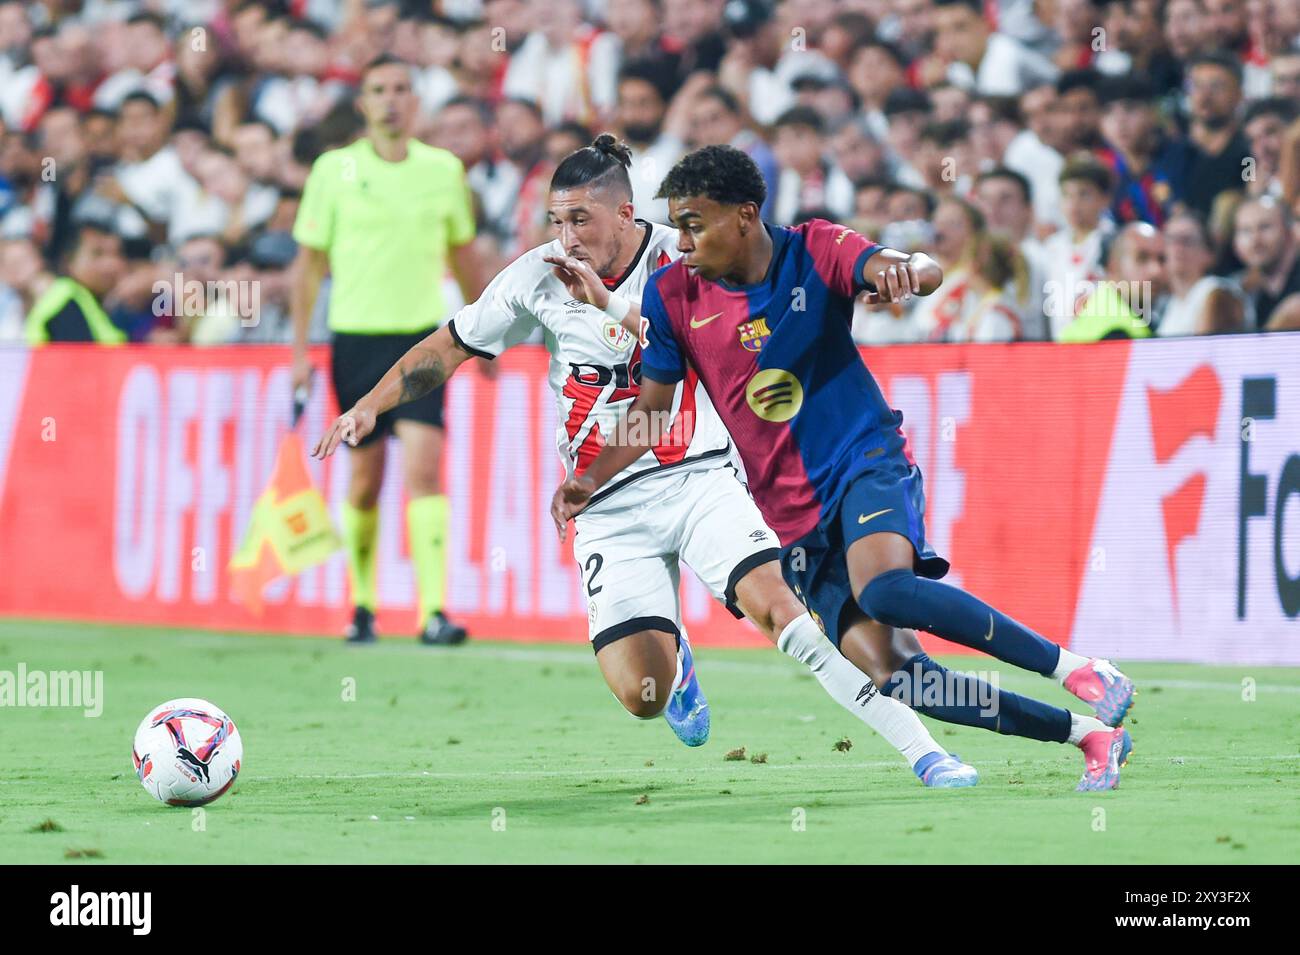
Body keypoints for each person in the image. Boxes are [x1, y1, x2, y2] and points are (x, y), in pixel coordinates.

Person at [313, 135, 977, 787]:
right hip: (607, 502)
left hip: (701, 474)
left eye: (581, 219)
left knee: (786, 613)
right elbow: (451, 345)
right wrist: (371, 404)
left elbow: (695, 337)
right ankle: (677, 658)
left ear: (626, 215)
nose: (566, 236)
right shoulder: (534, 279)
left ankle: (925, 752)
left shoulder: (687, 257)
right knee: (643, 693)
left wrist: (608, 306)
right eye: (556, 219)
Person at [556, 145, 1137, 792]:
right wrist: (590, 476)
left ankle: (1080, 667)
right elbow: (655, 412)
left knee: (885, 588)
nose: (681, 240)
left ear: (745, 215)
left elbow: (909, 266)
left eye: (694, 222)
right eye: (677, 224)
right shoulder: (673, 296)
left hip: (864, 462)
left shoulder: (813, 250)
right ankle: (1089, 734)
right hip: (793, 520)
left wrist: (910, 271)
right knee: (900, 676)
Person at [290, 55, 485, 645]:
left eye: (402, 88)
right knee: (365, 480)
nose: (391, 100)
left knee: (424, 466)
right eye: (379, 90)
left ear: (416, 101)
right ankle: (363, 605)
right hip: (355, 339)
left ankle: (433, 612)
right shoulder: (333, 170)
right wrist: (301, 349)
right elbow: (308, 265)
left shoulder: (444, 170)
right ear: (363, 104)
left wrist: (486, 334)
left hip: (421, 339)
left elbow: (464, 254)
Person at [25, 222, 126, 345]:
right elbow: (77, 361)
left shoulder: (92, 301)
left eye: (117, 254)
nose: (111, 264)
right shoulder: (65, 301)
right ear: (69, 261)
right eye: (97, 254)